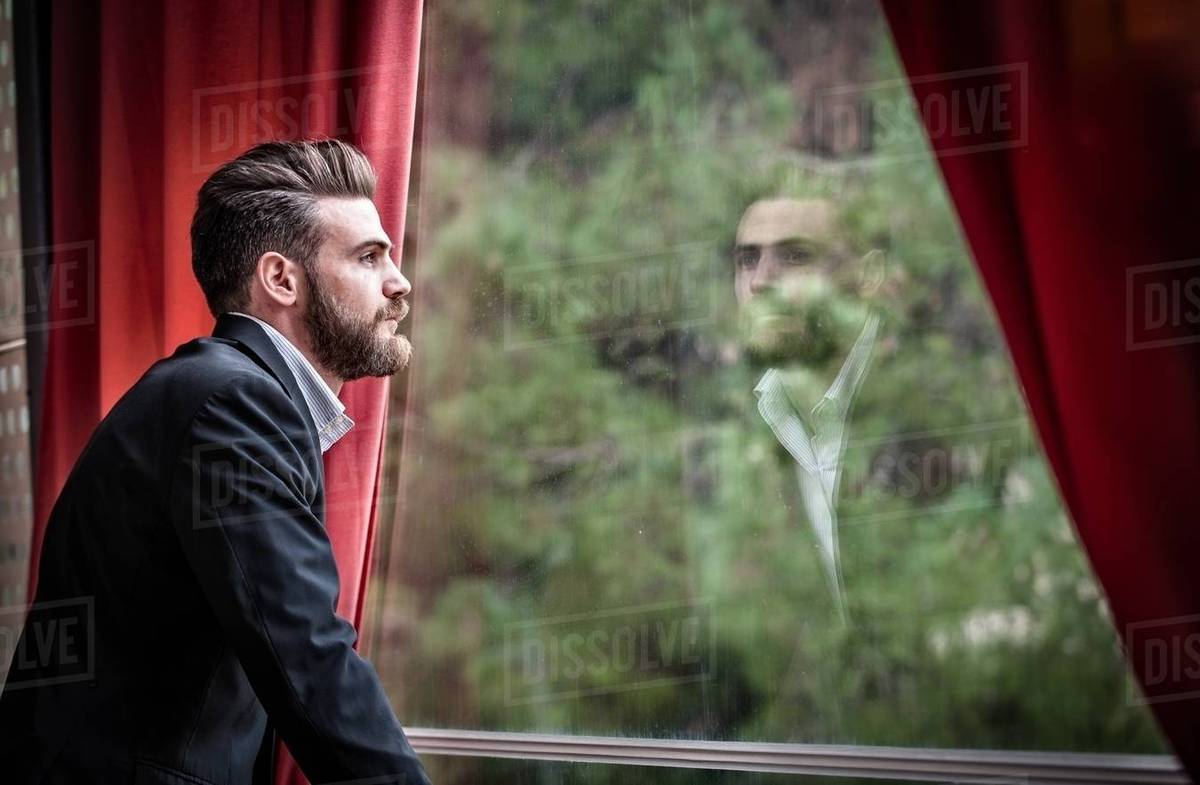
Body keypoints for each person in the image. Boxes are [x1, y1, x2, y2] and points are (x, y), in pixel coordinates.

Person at [0, 140, 432, 785]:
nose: (398, 282)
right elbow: (306, 655)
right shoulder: (234, 405)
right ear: (281, 279)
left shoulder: (216, 391)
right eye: (369, 257)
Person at [733, 197, 885, 621]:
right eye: (747, 260)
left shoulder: (940, 390)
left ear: (868, 275)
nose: (761, 281)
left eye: (795, 255)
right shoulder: (742, 422)